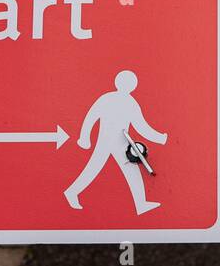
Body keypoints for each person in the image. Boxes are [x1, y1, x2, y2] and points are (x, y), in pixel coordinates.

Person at [64, 70, 168, 215]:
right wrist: (161, 138)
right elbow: (92, 116)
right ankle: (71, 192)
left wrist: (84, 137)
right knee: (93, 169)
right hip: (107, 140)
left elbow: (140, 126)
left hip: (120, 143)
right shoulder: (120, 101)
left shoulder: (115, 100)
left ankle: (141, 204)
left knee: (131, 170)